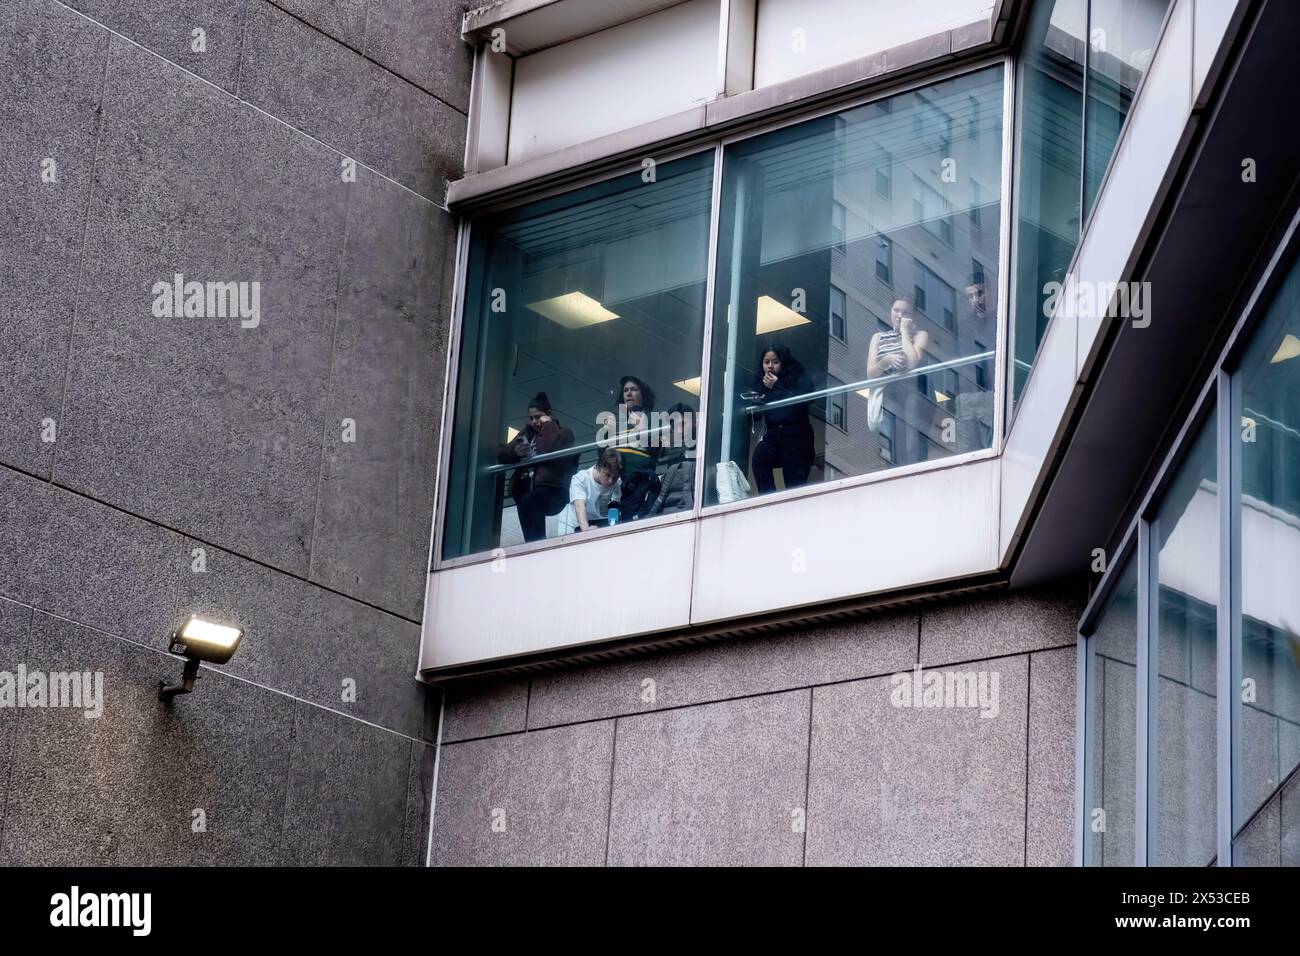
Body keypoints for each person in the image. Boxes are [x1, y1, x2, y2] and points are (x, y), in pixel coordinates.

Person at [497, 392, 576, 542]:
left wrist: (547, 425)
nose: (534, 421)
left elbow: (548, 448)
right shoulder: (527, 434)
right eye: (531, 418)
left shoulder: (564, 433)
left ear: (548, 414)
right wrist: (515, 452)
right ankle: (533, 545)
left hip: (553, 489)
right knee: (525, 502)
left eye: (538, 417)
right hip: (527, 489)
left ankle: (538, 544)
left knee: (529, 501)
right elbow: (503, 453)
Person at [867, 296, 930, 466]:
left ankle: (912, 467)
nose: (899, 315)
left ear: (913, 317)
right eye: (896, 310)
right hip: (888, 391)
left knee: (911, 435)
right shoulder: (878, 337)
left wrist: (903, 332)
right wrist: (886, 360)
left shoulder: (920, 335)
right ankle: (892, 466)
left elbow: (912, 361)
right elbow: (871, 373)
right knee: (892, 435)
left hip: (911, 390)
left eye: (905, 312)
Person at [750, 344, 816, 494]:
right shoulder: (761, 382)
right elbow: (757, 416)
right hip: (773, 435)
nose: (770, 366)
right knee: (760, 459)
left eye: (775, 362)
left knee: (793, 483)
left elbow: (804, 399)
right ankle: (767, 498)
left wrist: (777, 385)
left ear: (784, 363)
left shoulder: (797, 376)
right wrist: (757, 399)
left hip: (796, 436)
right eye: (766, 362)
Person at [596, 375, 661, 518]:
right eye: (625, 390)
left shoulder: (653, 419)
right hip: (614, 484)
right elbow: (601, 458)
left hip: (639, 484)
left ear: (642, 394)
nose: (629, 393)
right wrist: (605, 431)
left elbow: (658, 453)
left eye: (634, 389)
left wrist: (643, 430)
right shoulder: (615, 421)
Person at [954, 273, 996, 453]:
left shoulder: (1000, 320)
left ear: (990, 291)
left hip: (991, 394)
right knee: (965, 452)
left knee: (989, 447)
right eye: (970, 296)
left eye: (979, 293)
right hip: (967, 396)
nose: (975, 300)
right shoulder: (964, 326)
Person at [558, 448, 623, 534]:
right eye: (608, 475)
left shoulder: (617, 482)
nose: (611, 480)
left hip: (602, 522)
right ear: (599, 467)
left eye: (614, 477)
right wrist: (586, 530)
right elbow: (579, 505)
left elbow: (616, 502)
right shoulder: (580, 479)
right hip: (578, 526)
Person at [647, 404, 697, 516]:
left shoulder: (707, 448)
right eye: (675, 427)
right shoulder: (670, 456)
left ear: (695, 422)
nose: (679, 431)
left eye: (683, 424)